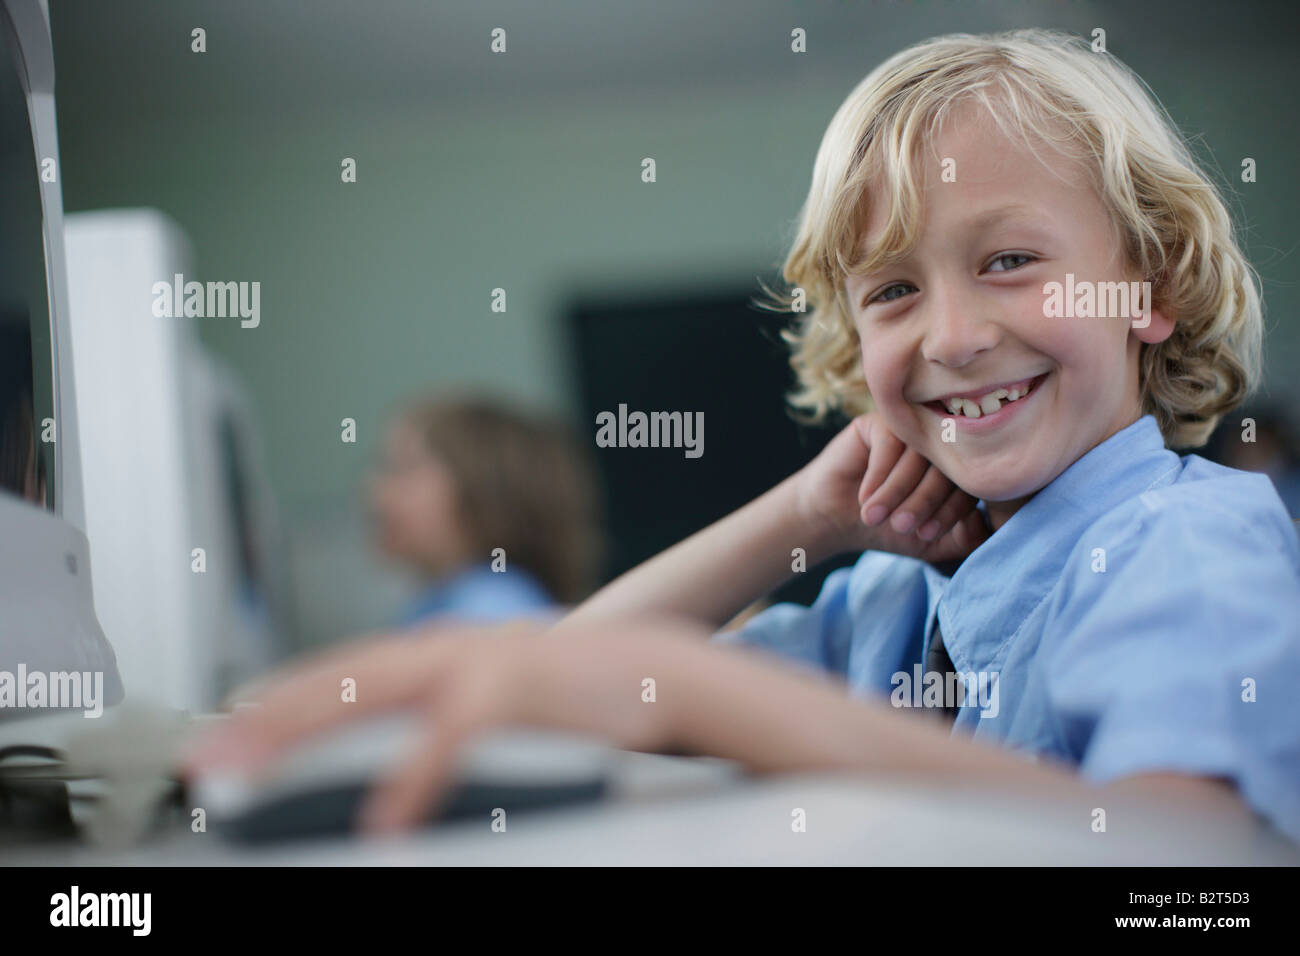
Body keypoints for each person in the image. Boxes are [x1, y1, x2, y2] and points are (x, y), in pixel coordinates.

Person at [186, 29, 1300, 843]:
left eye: (1009, 260)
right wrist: (800, 518)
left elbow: (1195, 867)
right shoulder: (895, 598)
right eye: (894, 290)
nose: (952, 336)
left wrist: (696, 689)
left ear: (1147, 288)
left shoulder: (1184, 548)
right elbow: (575, 688)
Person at [367, 393, 603, 625]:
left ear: (483, 493)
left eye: (403, 469)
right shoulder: (439, 603)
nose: (375, 489)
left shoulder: (495, 605)